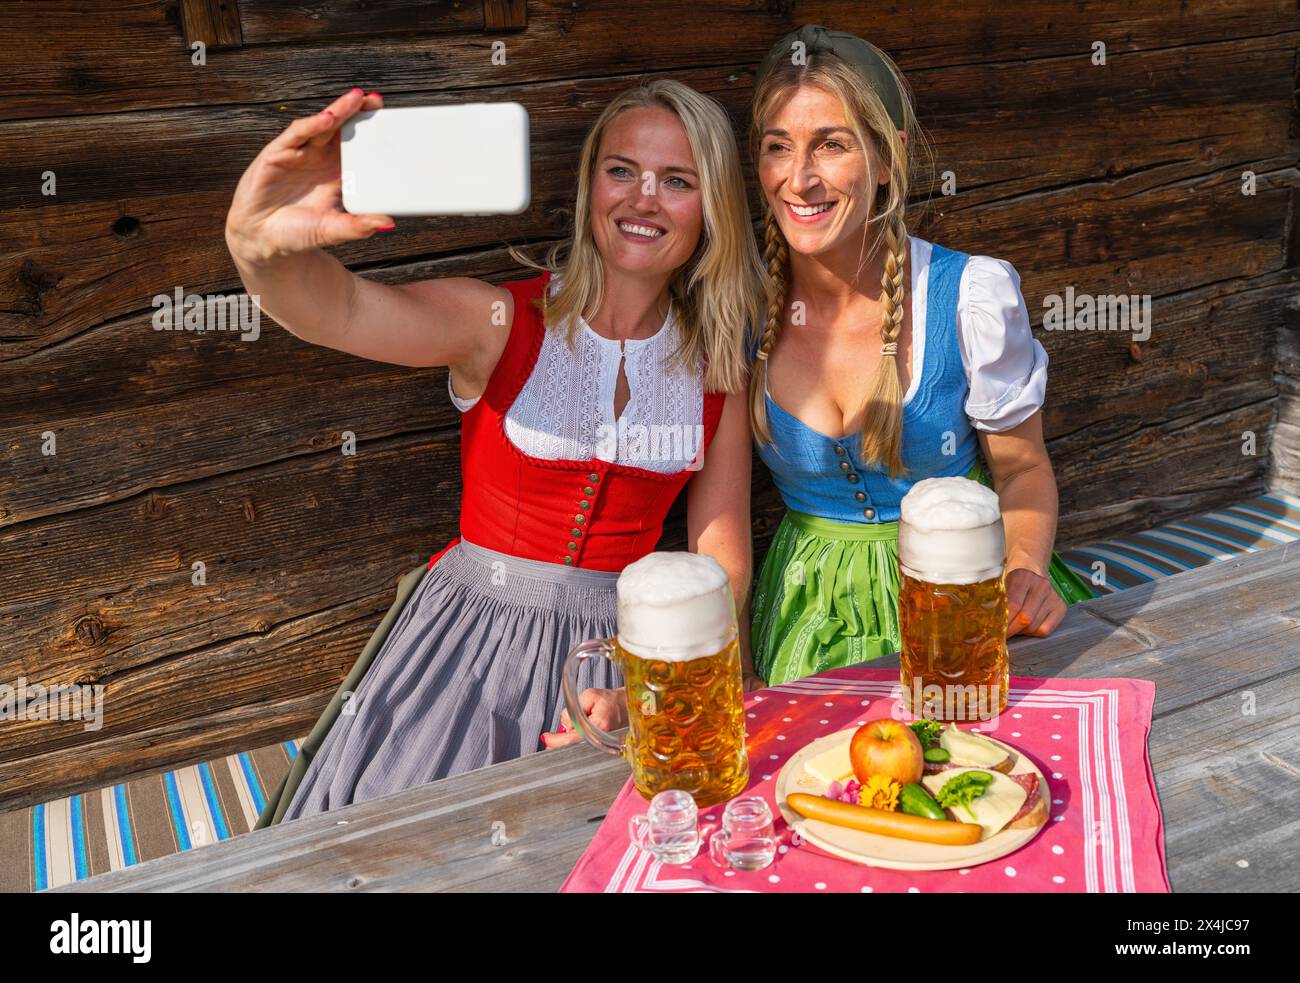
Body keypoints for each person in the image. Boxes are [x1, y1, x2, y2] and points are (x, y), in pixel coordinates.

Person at [224, 81, 765, 824]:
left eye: (678, 181)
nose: (643, 199)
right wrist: (258, 243)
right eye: (621, 170)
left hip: (628, 651)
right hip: (469, 648)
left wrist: (659, 686)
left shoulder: (715, 368)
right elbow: (339, 308)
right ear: (588, 183)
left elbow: (722, 557)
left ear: (711, 211)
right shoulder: (498, 319)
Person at [745, 26, 1094, 687]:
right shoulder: (740, 311)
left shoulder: (968, 296)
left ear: (886, 160)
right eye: (778, 148)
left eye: (832, 145)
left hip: (964, 591)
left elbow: (1022, 472)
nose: (800, 178)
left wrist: (1023, 573)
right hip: (810, 617)